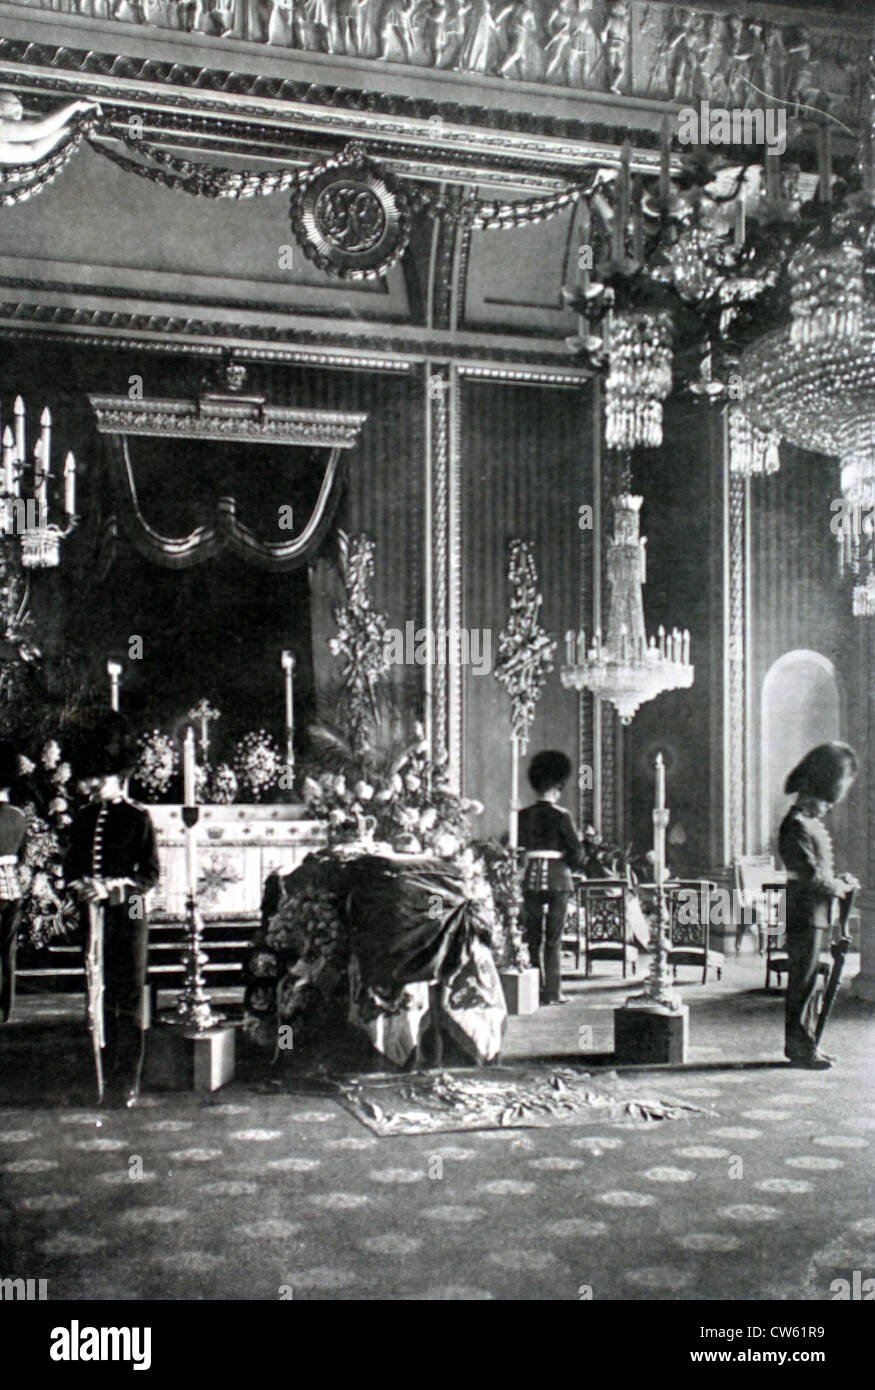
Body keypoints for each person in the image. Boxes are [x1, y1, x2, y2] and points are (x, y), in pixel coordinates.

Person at [65, 713, 159, 1107]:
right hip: (93, 918)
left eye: (102, 779)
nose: (95, 785)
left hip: (129, 918)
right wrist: (80, 887)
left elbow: (149, 877)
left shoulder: (138, 818)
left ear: (118, 778)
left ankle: (127, 1079)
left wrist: (112, 892)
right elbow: (70, 867)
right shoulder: (84, 818)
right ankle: (98, 1071)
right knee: (95, 994)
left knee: (127, 995)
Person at [778, 741, 859, 1070]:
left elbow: (819, 873)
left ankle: (807, 1043)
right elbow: (811, 877)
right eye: (824, 800)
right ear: (810, 792)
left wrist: (839, 879)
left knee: (811, 983)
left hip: (815, 913)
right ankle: (799, 1047)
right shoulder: (795, 825)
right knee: (803, 982)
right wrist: (838, 886)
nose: (828, 807)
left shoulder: (808, 824)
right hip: (804, 912)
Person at [517, 749, 582, 1004]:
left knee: (533, 937)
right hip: (557, 879)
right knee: (553, 939)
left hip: (531, 879)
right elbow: (577, 852)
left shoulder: (522, 815)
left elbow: (513, 846)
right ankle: (553, 992)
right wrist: (571, 865)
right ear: (557, 788)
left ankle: (533, 990)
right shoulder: (562, 815)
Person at [0, 739, 27, 1024]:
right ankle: (5, 1008)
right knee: (7, 953)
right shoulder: (19, 816)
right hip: (12, 889)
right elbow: (22, 854)